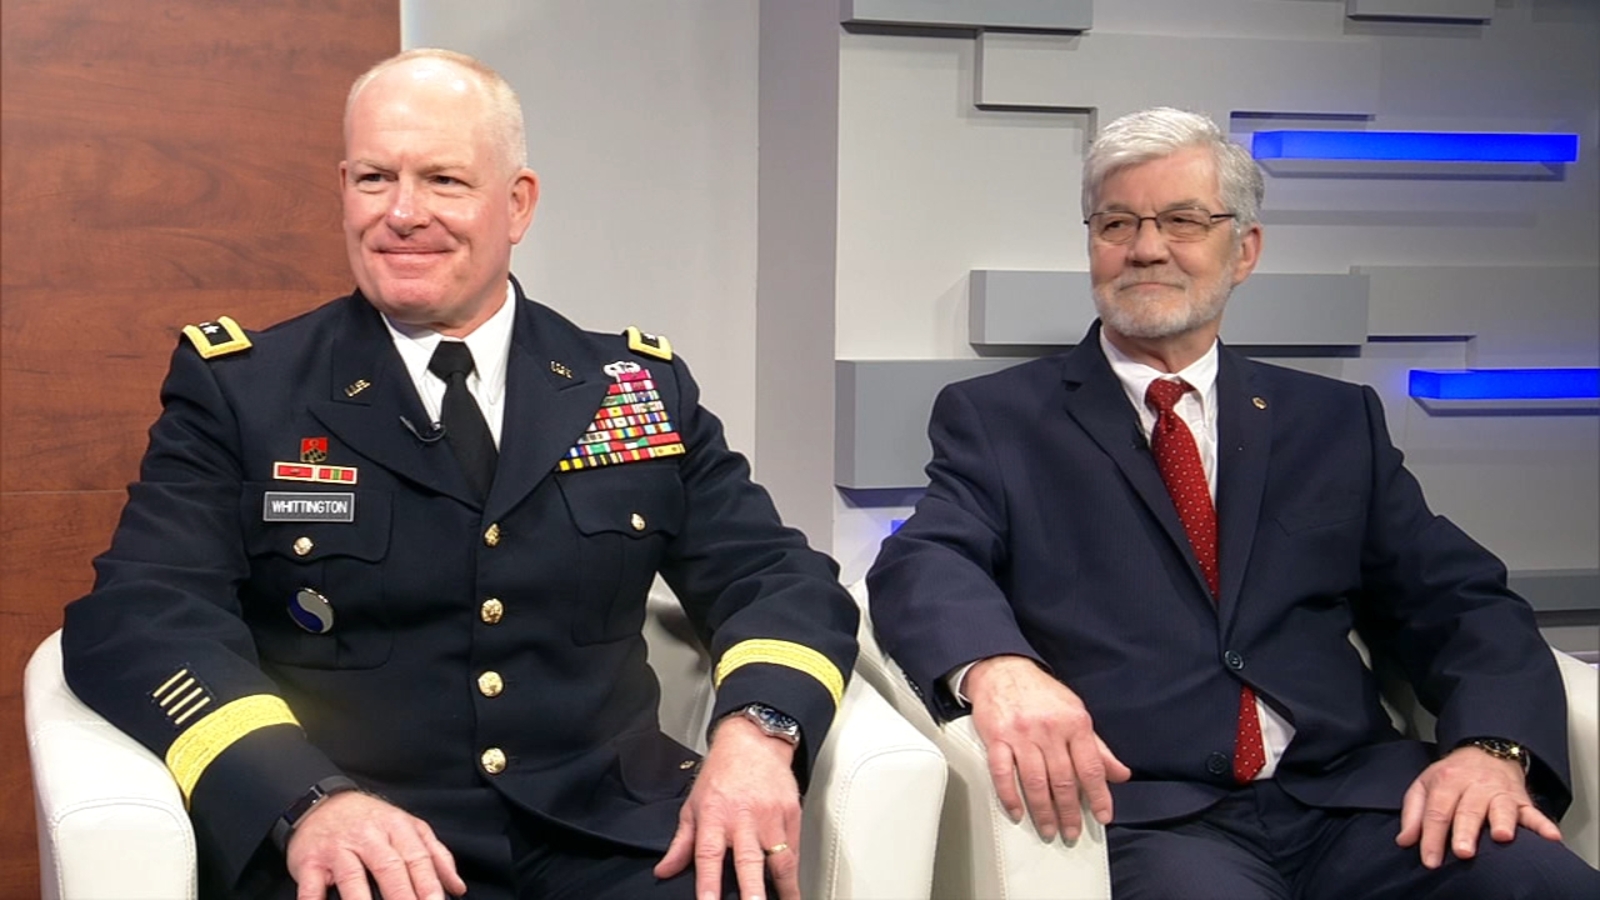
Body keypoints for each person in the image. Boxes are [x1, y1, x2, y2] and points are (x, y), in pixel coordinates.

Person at [62, 48, 858, 900]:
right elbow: (146, 617)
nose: (403, 214)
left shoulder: (633, 389)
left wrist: (758, 731)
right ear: (342, 189)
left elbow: (777, 577)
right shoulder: (243, 389)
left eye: (443, 180)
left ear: (517, 204)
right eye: (374, 178)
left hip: (618, 843)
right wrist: (302, 798)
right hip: (361, 848)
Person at [867, 107, 1597, 898]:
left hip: (1357, 800)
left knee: (1544, 884)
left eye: (1183, 220)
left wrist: (1493, 748)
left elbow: (1458, 599)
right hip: (1156, 818)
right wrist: (999, 667)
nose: (1146, 248)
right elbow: (927, 558)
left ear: (1243, 249)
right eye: (1117, 222)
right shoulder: (1002, 418)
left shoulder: (1331, 420)